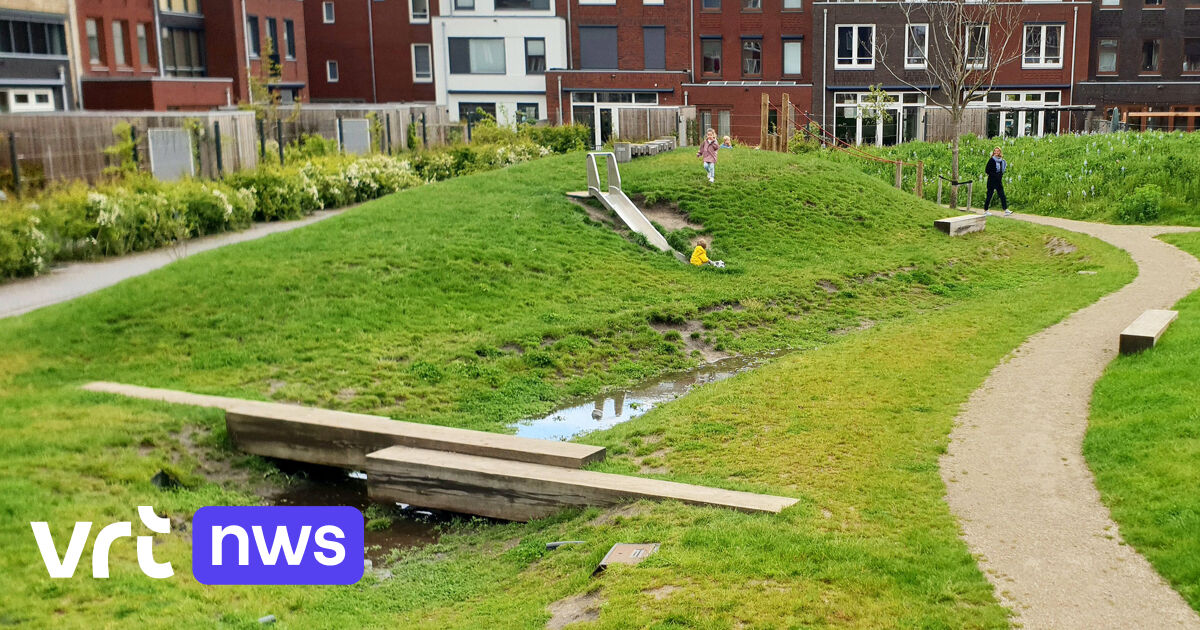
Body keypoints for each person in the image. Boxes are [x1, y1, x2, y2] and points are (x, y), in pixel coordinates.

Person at [983, 146, 1011, 216]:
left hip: (998, 180)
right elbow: (987, 170)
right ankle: (986, 210)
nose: (996, 152)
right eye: (995, 151)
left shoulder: (1002, 161)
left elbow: (1001, 171)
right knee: (989, 195)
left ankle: (1006, 210)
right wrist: (995, 175)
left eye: (997, 151)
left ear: (1000, 152)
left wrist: (999, 176)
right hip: (991, 180)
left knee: (1002, 195)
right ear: (993, 152)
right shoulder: (991, 160)